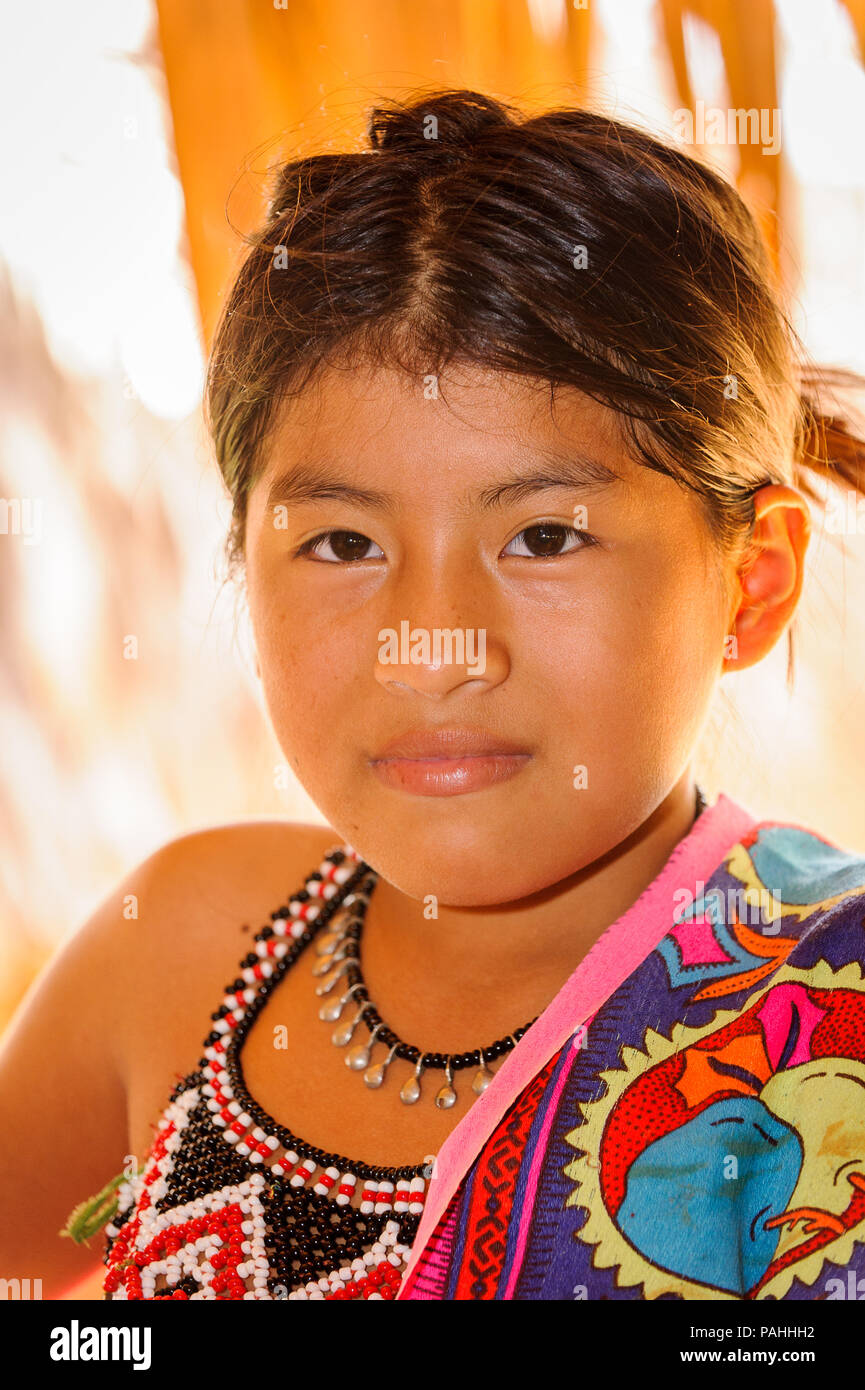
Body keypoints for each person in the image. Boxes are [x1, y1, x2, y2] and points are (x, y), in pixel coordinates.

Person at [2, 87, 865, 1302]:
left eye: (547, 535)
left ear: (750, 582)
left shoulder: (829, 1007)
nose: (432, 643)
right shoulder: (185, 953)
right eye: (344, 545)